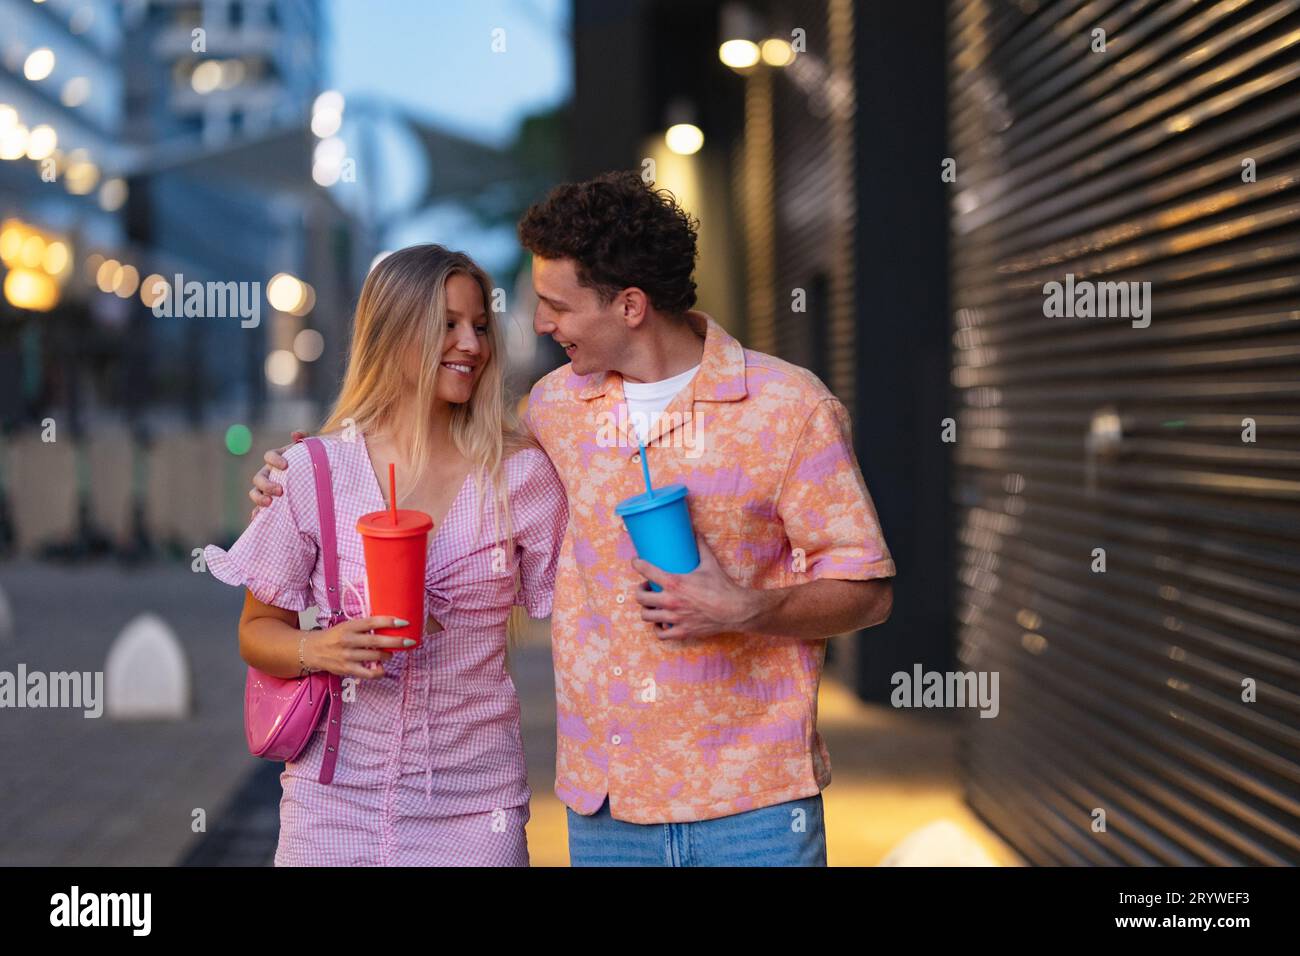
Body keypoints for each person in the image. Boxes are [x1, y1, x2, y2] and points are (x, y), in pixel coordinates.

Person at [253, 171, 895, 867]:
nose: (536, 324)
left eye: (556, 304)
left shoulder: (788, 408)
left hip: (756, 805)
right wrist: (305, 471)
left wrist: (744, 607)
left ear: (629, 305)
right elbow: (441, 443)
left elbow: (870, 591)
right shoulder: (554, 412)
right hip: (607, 813)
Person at [208, 244, 567, 866]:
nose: (472, 344)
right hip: (332, 800)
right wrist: (317, 649)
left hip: (475, 803)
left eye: (480, 326)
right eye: (448, 325)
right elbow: (256, 631)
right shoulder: (314, 470)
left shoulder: (521, 474)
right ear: (394, 333)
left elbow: (585, 611)